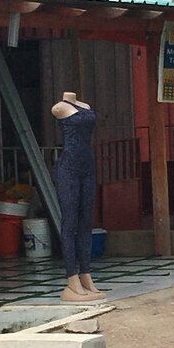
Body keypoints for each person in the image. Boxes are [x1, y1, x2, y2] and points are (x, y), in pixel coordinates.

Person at [51, 92, 103, 302]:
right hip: (69, 168)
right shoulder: (59, 108)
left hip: (87, 166)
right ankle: (71, 277)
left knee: (86, 222)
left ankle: (86, 274)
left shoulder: (84, 105)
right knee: (70, 221)